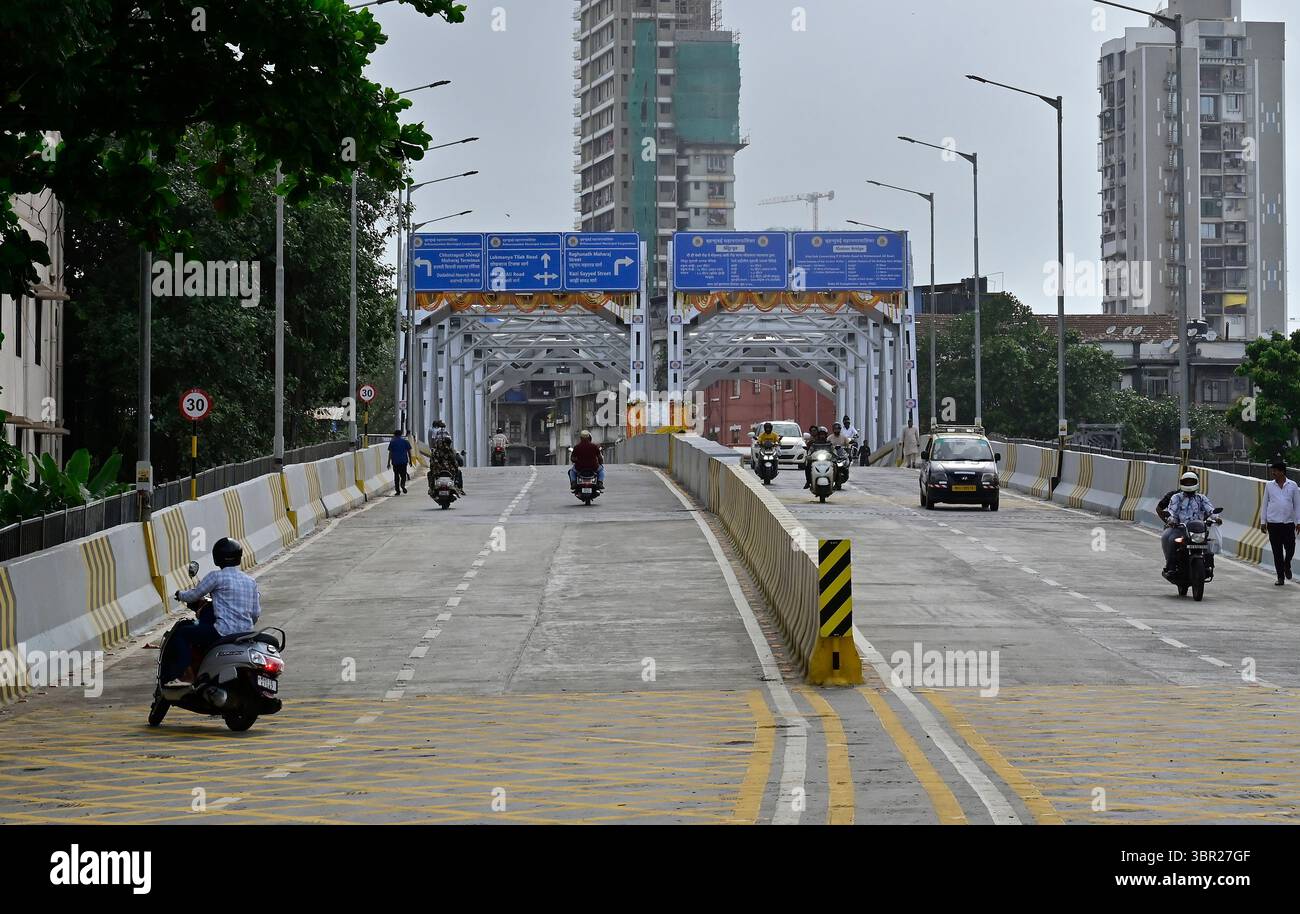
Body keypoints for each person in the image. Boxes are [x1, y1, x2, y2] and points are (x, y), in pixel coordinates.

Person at [162, 538, 260, 687]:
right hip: (246, 634)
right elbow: (255, 614)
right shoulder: (250, 581)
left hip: (222, 632)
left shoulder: (216, 577)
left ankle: (186, 675)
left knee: (182, 634)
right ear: (239, 557)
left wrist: (180, 594)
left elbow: (194, 595)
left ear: (217, 558)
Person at [1162, 471, 1218, 576]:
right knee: (1170, 539)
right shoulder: (1176, 497)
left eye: (1191, 482)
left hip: (1199, 530)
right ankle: (1171, 566)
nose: (1188, 485)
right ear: (1182, 483)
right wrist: (1171, 520)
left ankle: (1208, 565)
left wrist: (1216, 518)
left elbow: (1210, 510)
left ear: (1196, 483)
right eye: (1186, 482)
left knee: (1209, 543)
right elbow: (1171, 511)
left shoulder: (1201, 498)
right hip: (1180, 529)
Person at [1262, 459, 1300, 585]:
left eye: (1275, 471)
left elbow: (1297, 505)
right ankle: (1280, 577)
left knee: (1291, 548)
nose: (1273, 473)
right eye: (1272, 471)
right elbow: (1264, 504)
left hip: (1288, 523)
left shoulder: (1293, 485)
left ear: (1282, 472)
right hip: (1273, 523)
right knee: (1277, 551)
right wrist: (1263, 521)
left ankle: (1287, 563)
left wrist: (1298, 521)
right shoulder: (1269, 485)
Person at [387, 428, 411, 495]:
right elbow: (409, 452)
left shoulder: (392, 442)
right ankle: (402, 484)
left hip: (395, 461)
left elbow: (390, 453)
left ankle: (397, 490)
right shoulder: (405, 441)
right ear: (401, 434)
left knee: (396, 476)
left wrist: (388, 463)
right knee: (403, 475)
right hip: (403, 461)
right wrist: (410, 461)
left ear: (394, 435)